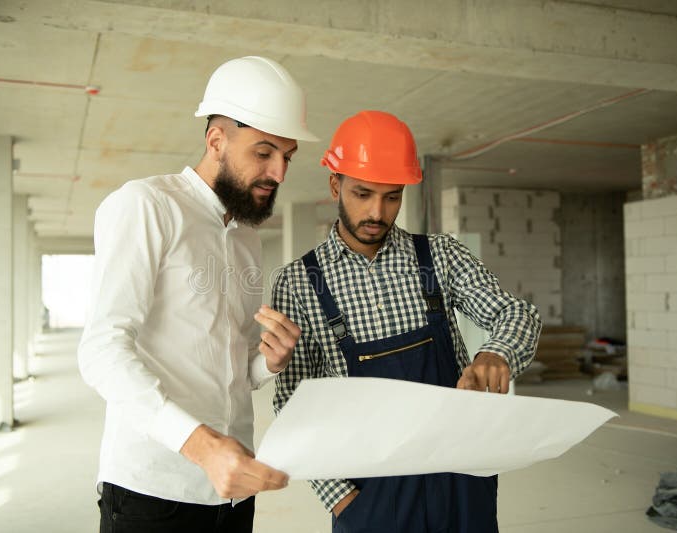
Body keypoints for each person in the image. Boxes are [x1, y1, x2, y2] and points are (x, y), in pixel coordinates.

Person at [271, 110, 542, 533]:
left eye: (392, 196)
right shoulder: (298, 283)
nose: (378, 212)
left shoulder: (439, 256)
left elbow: (516, 313)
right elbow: (291, 401)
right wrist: (339, 496)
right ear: (334, 185)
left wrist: (497, 353)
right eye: (362, 193)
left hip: (460, 477)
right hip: (370, 492)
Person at [78, 56, 317, 533]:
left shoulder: (247, 238)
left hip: (231, 495)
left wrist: (267, 363)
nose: (280, 173)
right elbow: (101, 352)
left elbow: (231, 371)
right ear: (216, 140)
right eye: (264, 152)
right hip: (153, 495)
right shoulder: (147, 206)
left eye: (287, 156)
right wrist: (202, 446)